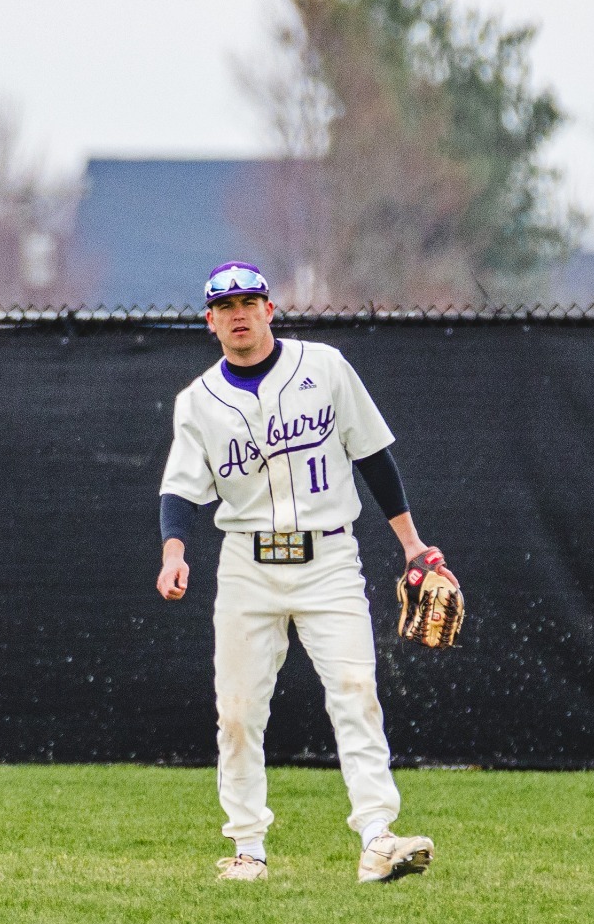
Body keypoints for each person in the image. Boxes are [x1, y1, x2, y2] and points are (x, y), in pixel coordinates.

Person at [156, 261, 453, 883]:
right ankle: (247, 849)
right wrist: (174, 551)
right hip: (246, 566)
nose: (238, 314)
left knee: (355, 695)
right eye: (225, 306)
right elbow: (181, 490)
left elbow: (373, 456)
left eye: (249, 301)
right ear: (210, 322)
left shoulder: (324, 367)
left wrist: (412, 545)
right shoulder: (197, 403)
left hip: (330, 558)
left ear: (270, 309)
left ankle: (378, 838)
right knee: (237, 712)